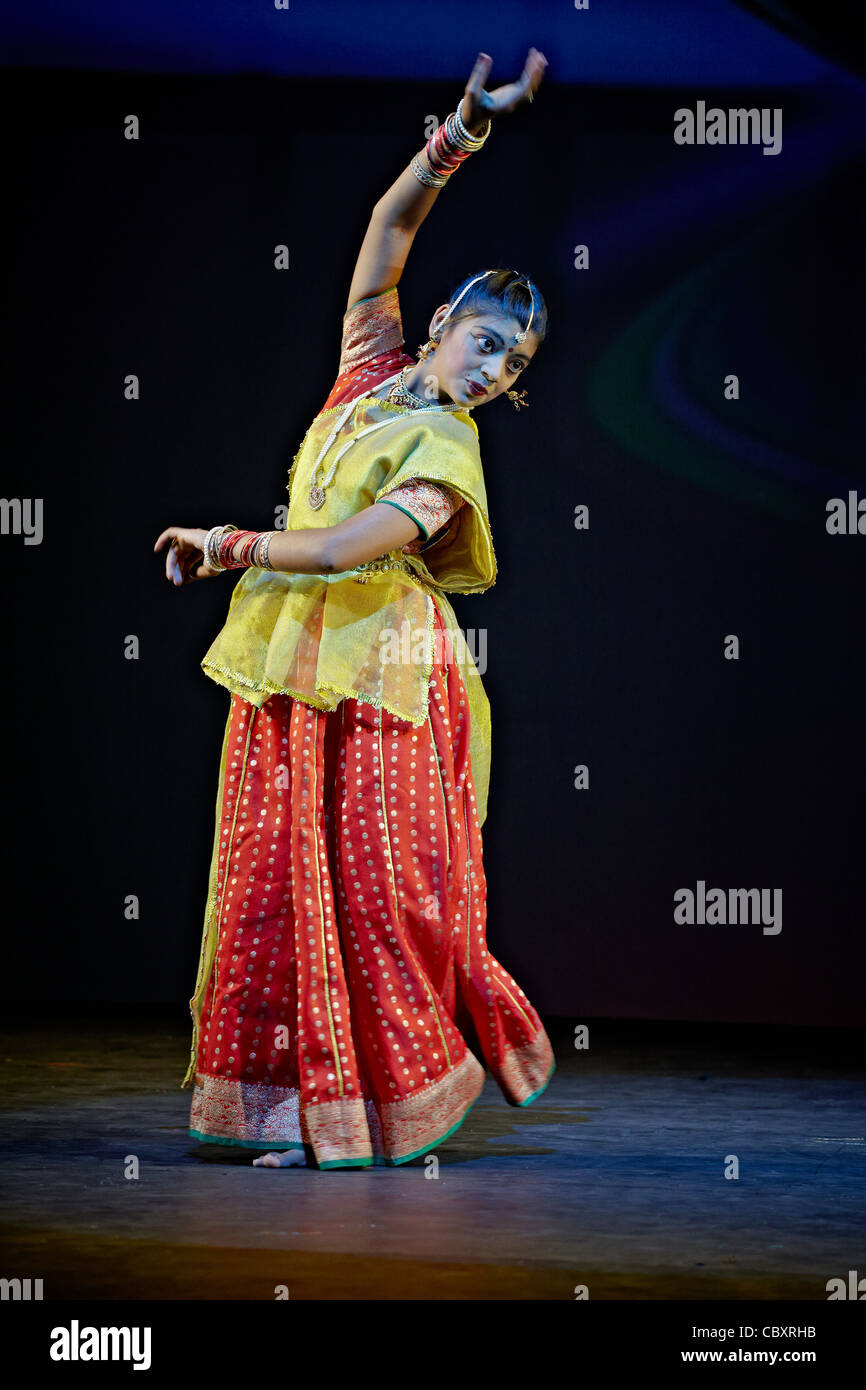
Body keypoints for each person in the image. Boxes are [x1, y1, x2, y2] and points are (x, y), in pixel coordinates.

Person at [153, 48, 555, 1171]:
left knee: (376, 891)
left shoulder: (446, 452)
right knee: (275, 871)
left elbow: (336, 549)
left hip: (382, 669)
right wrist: (461, 134)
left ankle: (381, 1100)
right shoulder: (367, 374)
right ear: (440, 323)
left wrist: (225, 543)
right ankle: (287, 1107)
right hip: (293, 661)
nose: (490, 368)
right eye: (484, 340)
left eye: (511, 361)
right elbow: (386, 231)